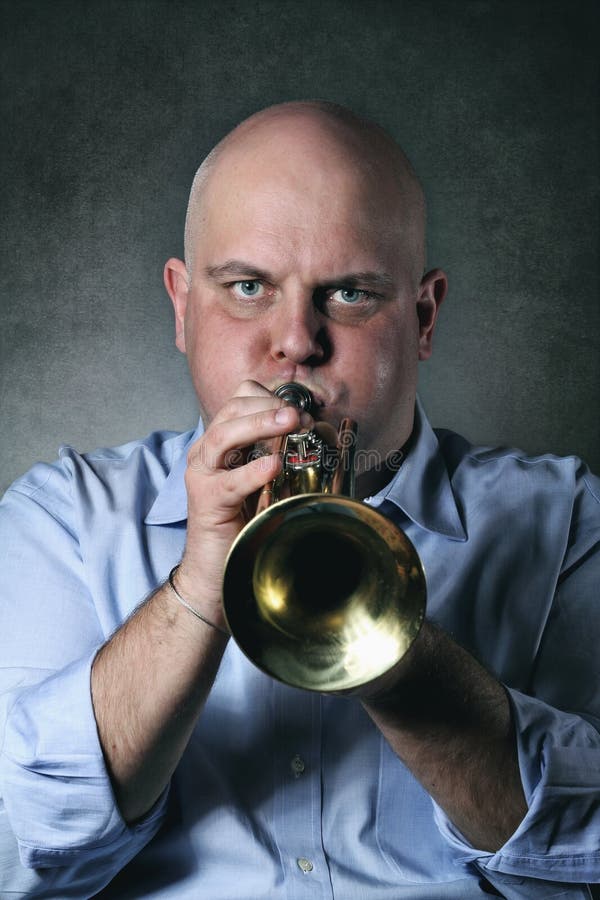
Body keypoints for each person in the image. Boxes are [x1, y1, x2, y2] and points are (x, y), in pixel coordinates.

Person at [0, 100, 598, 900]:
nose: (295, 342)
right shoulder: (63, 518)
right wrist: (200, 587)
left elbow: (584, 863)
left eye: (349, 295)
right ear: (182, 307)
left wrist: (377, 635)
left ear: (423, 317)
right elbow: (19, 857)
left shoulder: (563, 521)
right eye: (247, 286)